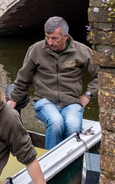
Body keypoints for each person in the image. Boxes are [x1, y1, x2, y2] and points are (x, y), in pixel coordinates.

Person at [7, 16, 99, 148]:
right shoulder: (36, 50)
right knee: (56, 123)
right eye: (47, 37)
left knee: (73, 126)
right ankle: (50, 162)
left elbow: (102, 74)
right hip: (45, 101)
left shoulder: (81, 51)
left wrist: (88, 94)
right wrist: (14, 99)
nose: (50, 42)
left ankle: (68, 162)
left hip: (71, 102)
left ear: (65, 36)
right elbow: (23, 77)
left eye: (55, 38)